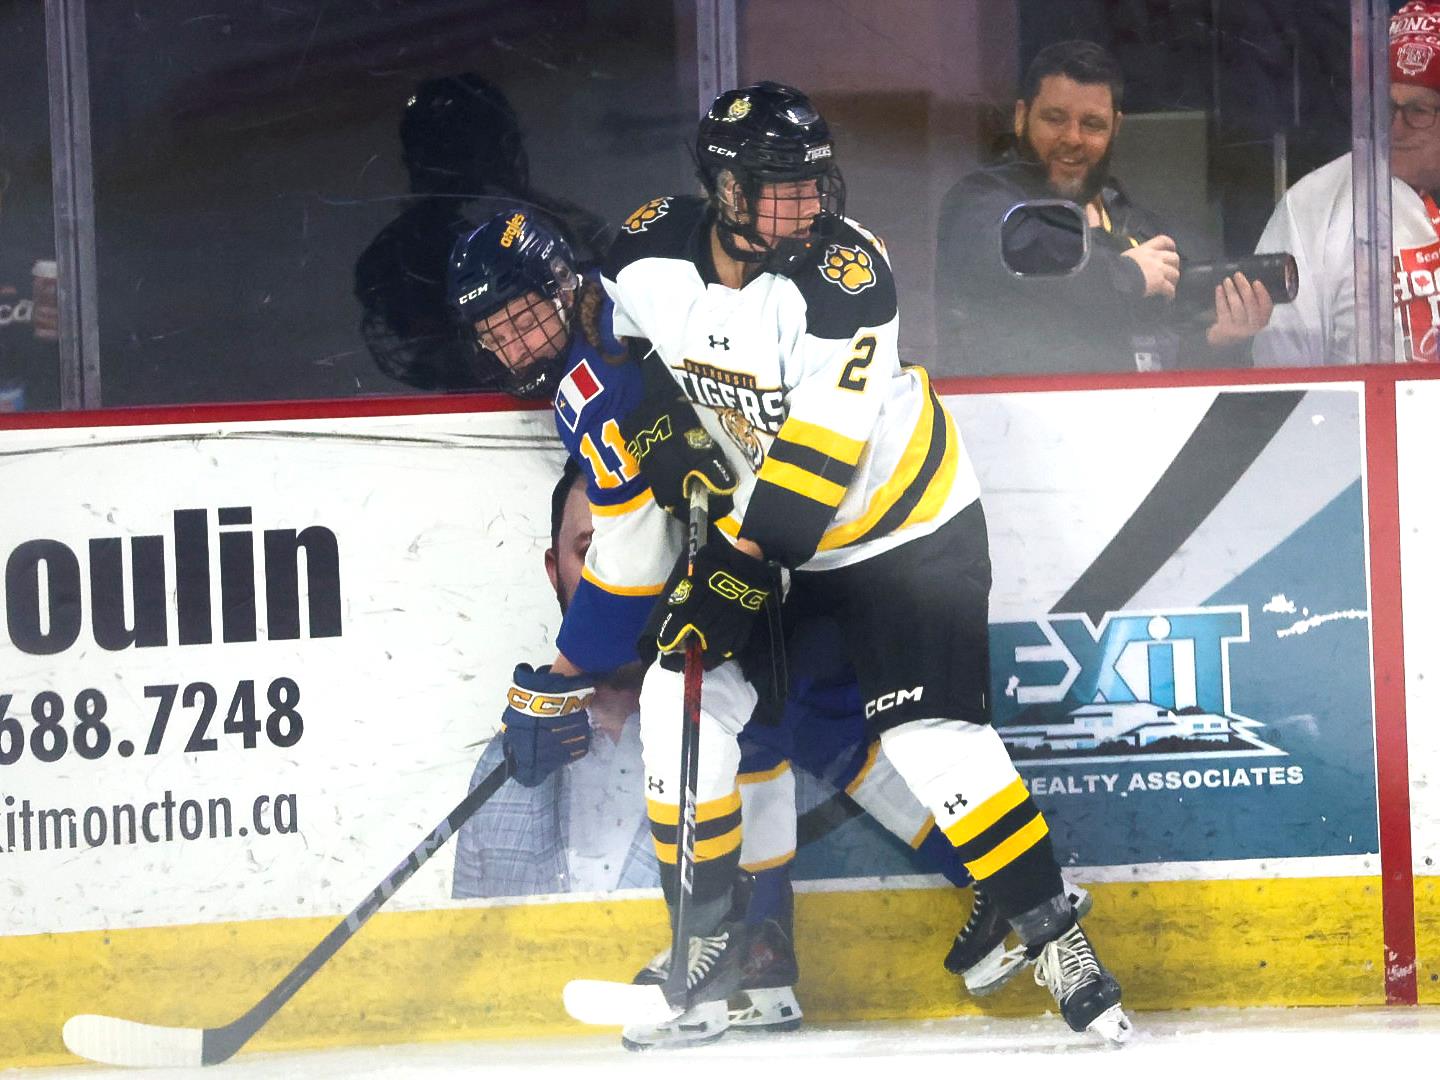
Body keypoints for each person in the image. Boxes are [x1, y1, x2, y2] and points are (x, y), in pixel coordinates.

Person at [444, 208, 1077, 1041]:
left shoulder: (614, 342)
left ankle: (749, 953)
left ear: (565, 284)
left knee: (777, 725)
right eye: (496, 333)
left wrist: (565, 674)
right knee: (794, 728)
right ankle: (769, 953)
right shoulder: (623, 326)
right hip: (790, 538)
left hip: (791, 540)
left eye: (524, 316)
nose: (517, 344)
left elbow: (632, 551)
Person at [603, 81, 1129, 1049]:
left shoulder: (849, 278)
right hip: (777, 538)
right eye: (780, 188)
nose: (808, 206)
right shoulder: (646, 249)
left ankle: (1056, 938)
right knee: (679, 696)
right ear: (722, 189)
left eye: (814, 184)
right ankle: (704, 939)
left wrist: (733, 565)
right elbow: (631, 355)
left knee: (931, 738)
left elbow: (820, 455)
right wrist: (670, 439)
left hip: (906, 532)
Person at [934, 39, 1273, 375]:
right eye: (1055, 119)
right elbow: (1029, 255)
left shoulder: (1140, 228)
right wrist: (1128, 276)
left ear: (1115, 128)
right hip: (1004, 411)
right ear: (1022, 117)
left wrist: (1217, 341)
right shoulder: (980, 202)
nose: (1073, 138)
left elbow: (1156, 359)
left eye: (1092, 124)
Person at [353, 74, 612, 391]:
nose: (515, 352)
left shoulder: (393, 256)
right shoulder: (568, 225)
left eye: (526, 324)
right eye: (496, 338)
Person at [1254, 1, 1440, 366]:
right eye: (1387, 107)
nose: (1396, 128)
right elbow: (1282, 371)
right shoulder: (1312, 206)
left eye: (1418, 111)